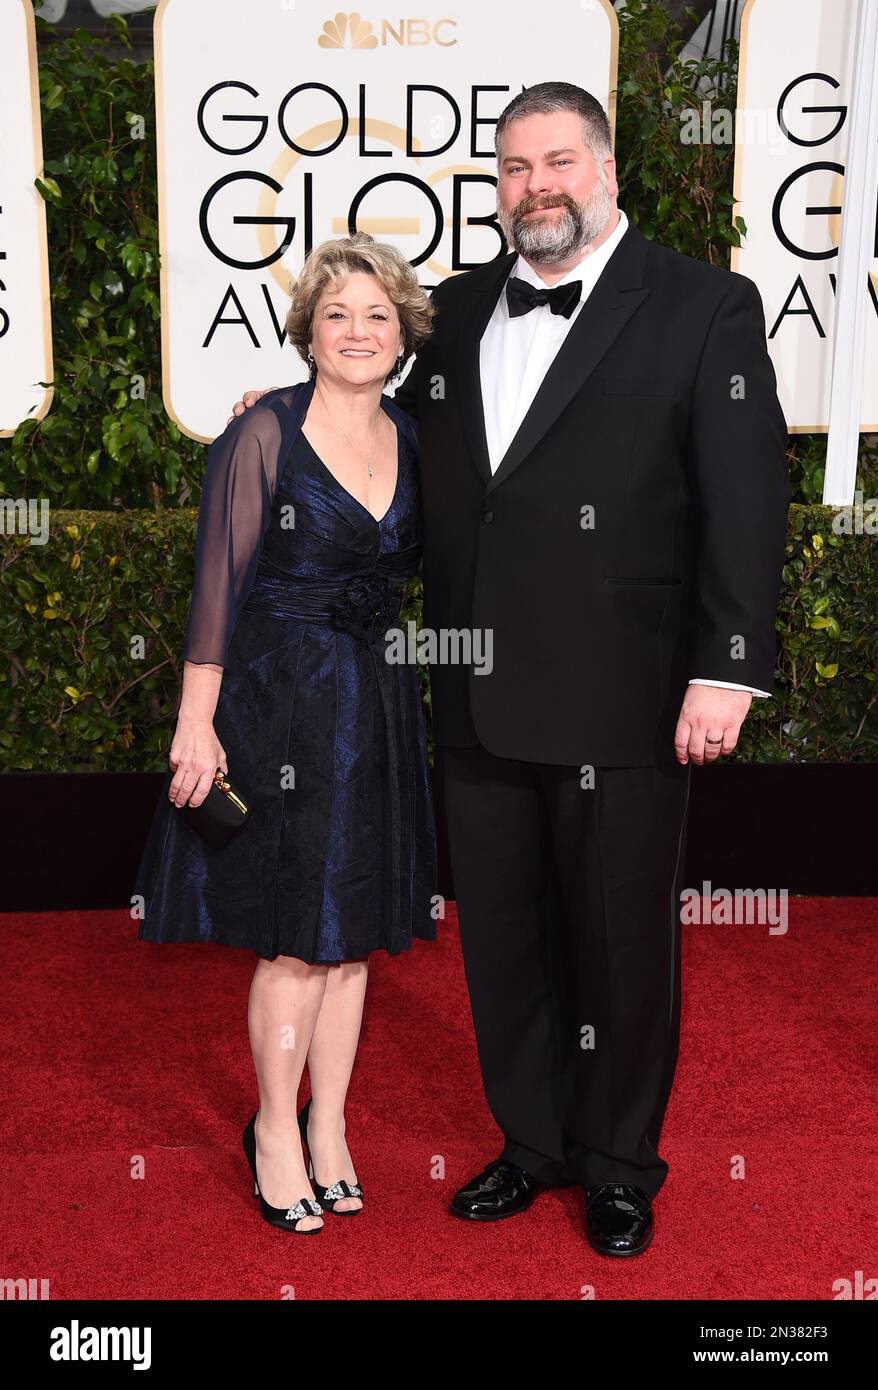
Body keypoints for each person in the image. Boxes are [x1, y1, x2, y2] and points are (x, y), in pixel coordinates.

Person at [232, 82, 791, 1256]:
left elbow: (745, 502)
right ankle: (531, 1141)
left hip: (628, 693)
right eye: (511, 169)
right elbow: (376, 444)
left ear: (603, 170)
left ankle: (619, 1163)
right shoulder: (456, 309)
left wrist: (726, 667)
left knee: (619, 938)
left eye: (555, 163)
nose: (533, 186)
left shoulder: (703, 306)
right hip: (474, 687)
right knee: (504, 932)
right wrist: (274, 416)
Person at [133, 234, 438, 1233]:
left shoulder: (414, 437)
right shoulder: (260, 432)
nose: (357, 331)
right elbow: (215, 584)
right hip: (281, 699)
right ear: (308, 327)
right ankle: (272, 1128)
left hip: (379, 704)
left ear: (402, 337)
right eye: (338, 313)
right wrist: (195, 722)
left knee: (350, 945)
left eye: (377, 316)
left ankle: (329, 1126)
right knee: (295, 944)